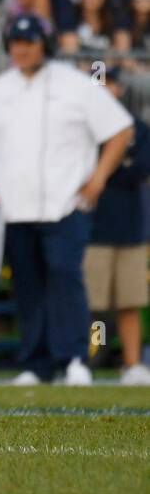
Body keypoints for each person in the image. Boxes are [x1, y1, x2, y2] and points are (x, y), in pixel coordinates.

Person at [0, 15, 134, 386]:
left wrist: (99, 178)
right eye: (16, 43)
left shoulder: (77, 85)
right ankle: (36, 363)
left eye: (29, 42)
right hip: (13, 206)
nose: (21, 49)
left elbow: (120, 129)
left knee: (65, 275)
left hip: (66, 203)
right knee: (27, 283)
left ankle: (74, 359)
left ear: (45, 44)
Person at [82, 67, 150, 385]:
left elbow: (139, 170)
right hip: (93, 225)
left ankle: (132, 362)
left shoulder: (139, 128)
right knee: (94, 303)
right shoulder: (83, 130)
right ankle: (93, 357)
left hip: (130, 225)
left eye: (107, 85)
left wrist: (102, 173)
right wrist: (116, 165)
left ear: (119, 89)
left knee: (129, 301)